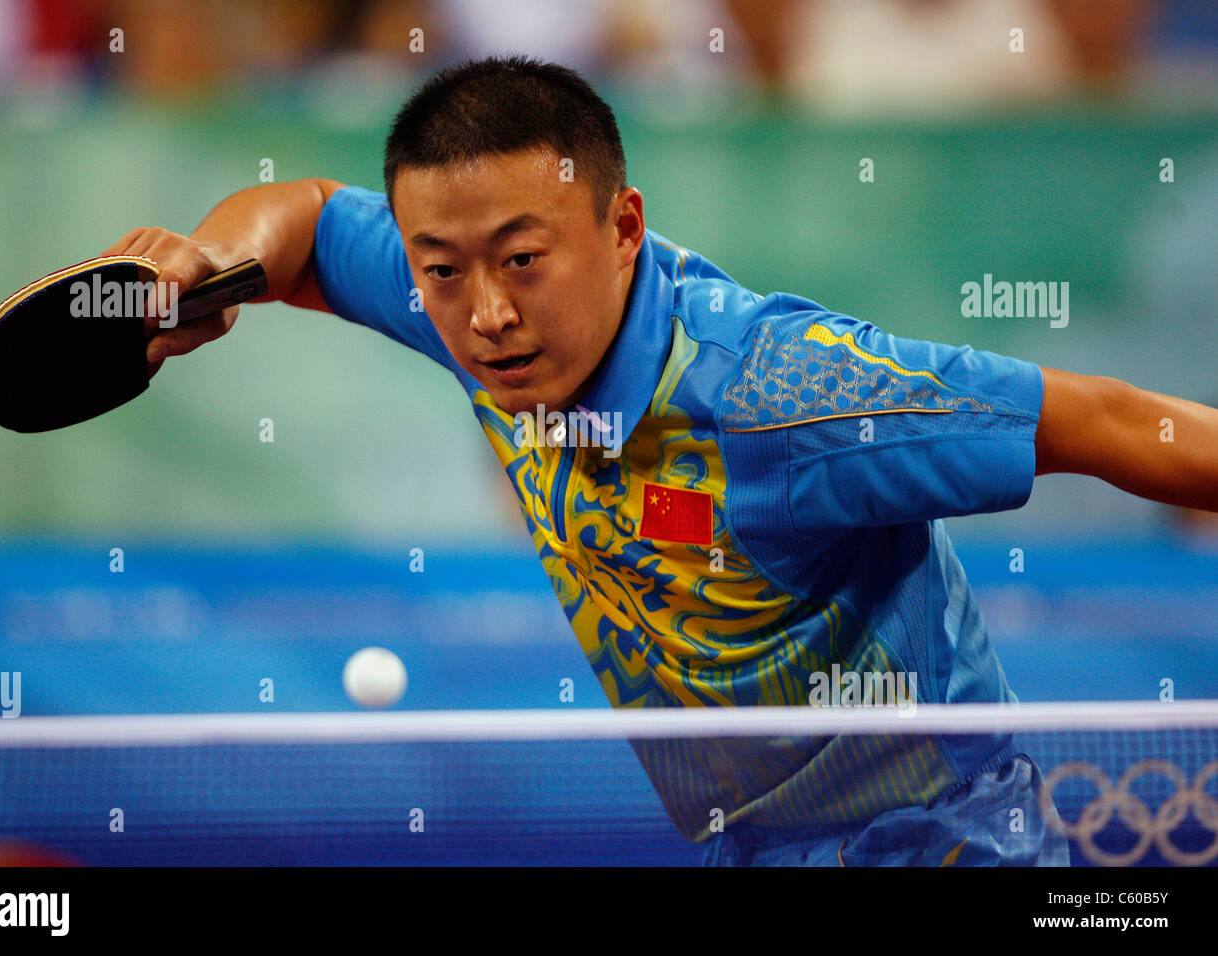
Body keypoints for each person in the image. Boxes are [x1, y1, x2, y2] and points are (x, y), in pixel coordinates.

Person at [101, 55, 1217, 866]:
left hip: (936, 842)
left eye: (523, 260)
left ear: (623, 224)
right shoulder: (457, 293)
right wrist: (214, 269)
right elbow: (298, 216)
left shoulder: (784, 394)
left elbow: (1109, 420)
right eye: (442, 269)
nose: (485, 313)